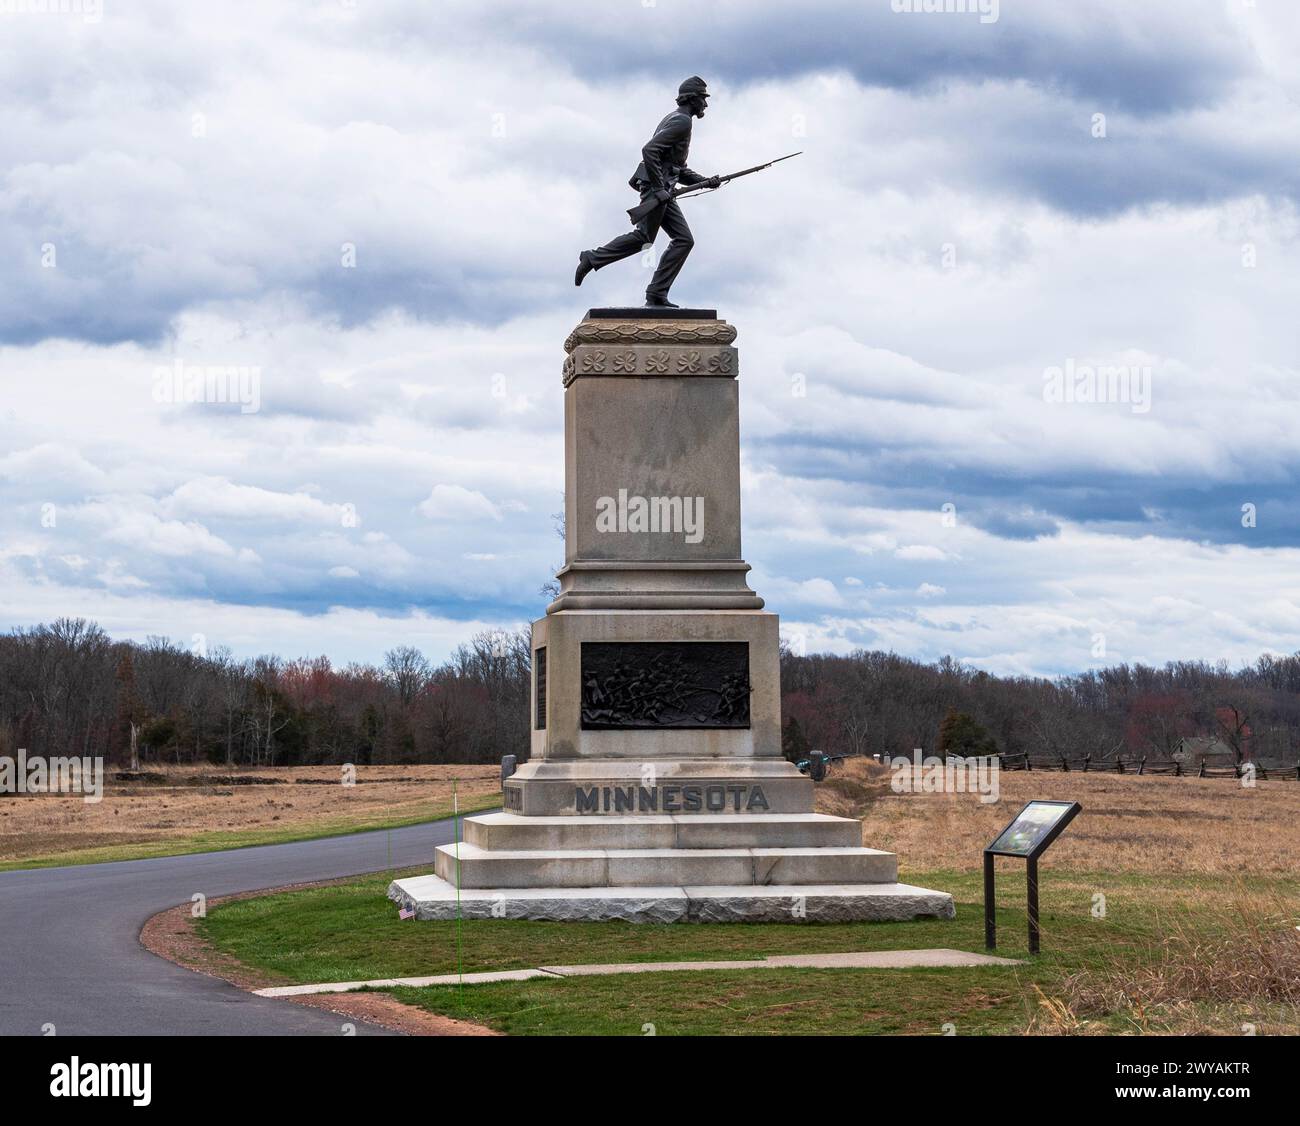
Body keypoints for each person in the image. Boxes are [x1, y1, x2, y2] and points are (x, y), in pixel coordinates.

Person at [574, 76, 720, 308]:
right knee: (644, 238)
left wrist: (705, 181)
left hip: (661, 187)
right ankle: (592, 257)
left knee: (683, 240)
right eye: (703, 98)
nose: (706, 104)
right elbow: (649, 150)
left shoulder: (675, 118)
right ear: (692, 98)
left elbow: (674, 167)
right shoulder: (682, 121)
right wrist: (660, 188)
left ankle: (656, 293)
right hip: (657, 188)